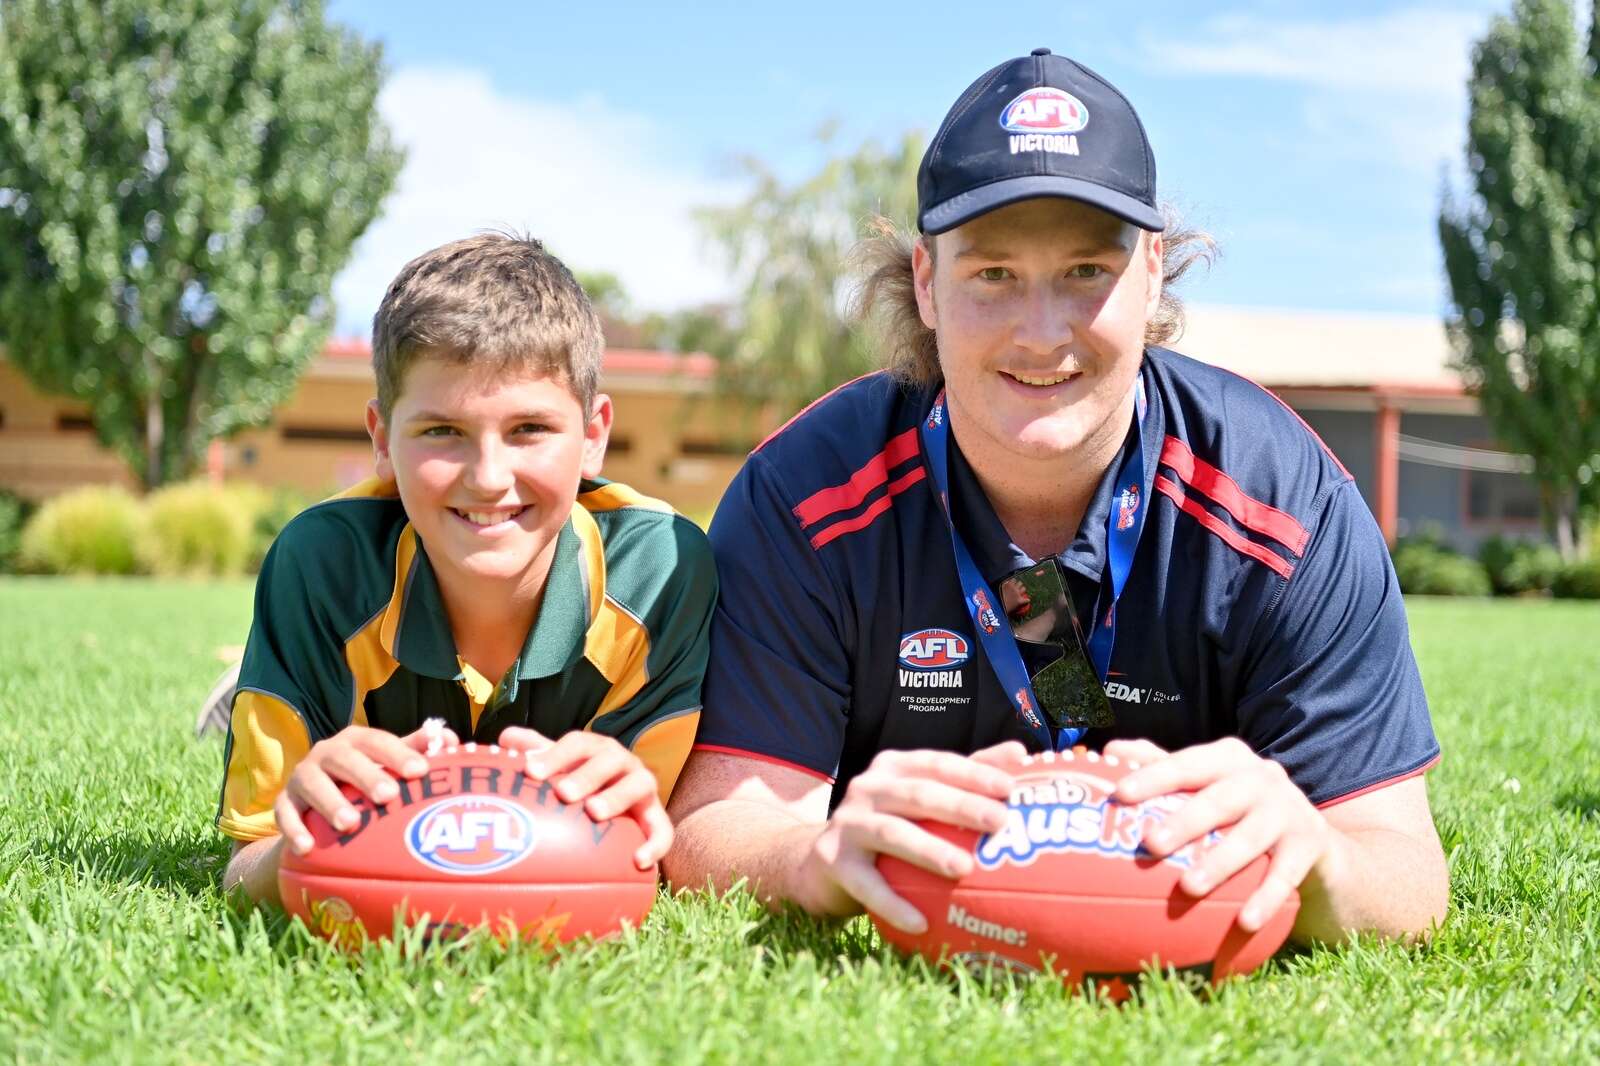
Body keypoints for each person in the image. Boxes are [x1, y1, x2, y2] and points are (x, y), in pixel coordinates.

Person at [663, 49, 1448, 946]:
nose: (1042, 335)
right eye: (992, 274)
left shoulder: (1286, 506)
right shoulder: (803, 498)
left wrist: (1320, 859)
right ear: (925, 280)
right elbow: (716, 823)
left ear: (1153, 269)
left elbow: (1403, 869)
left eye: (1085, 272)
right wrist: (811, 856)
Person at [218, 233, 717, 907]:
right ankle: (263, 691)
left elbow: (647, 858)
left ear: (594, 434)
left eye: (529, 430)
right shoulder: (321, 566)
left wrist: (633, 812)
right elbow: (243, 868)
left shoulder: (660, 574)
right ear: (380, 439)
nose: (488, 479)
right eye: (441, 432)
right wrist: (300, 844)